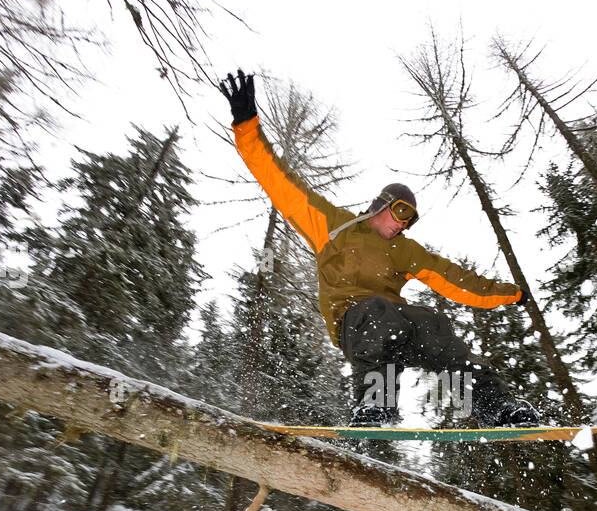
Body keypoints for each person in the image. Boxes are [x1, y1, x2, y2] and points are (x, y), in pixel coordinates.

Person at [218, 68, 541, 428]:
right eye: (402, 212)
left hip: (395, 327)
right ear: (381, 204)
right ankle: (375, 405)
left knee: (434, 325)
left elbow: (455, 278)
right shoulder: (335, 226)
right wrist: (246, 125)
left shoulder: (404, 249)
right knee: (376, 309)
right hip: (355, 324)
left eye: (411, 219)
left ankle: (493, 407)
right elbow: (280, 182)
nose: (403, 223)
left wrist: (510, 296)